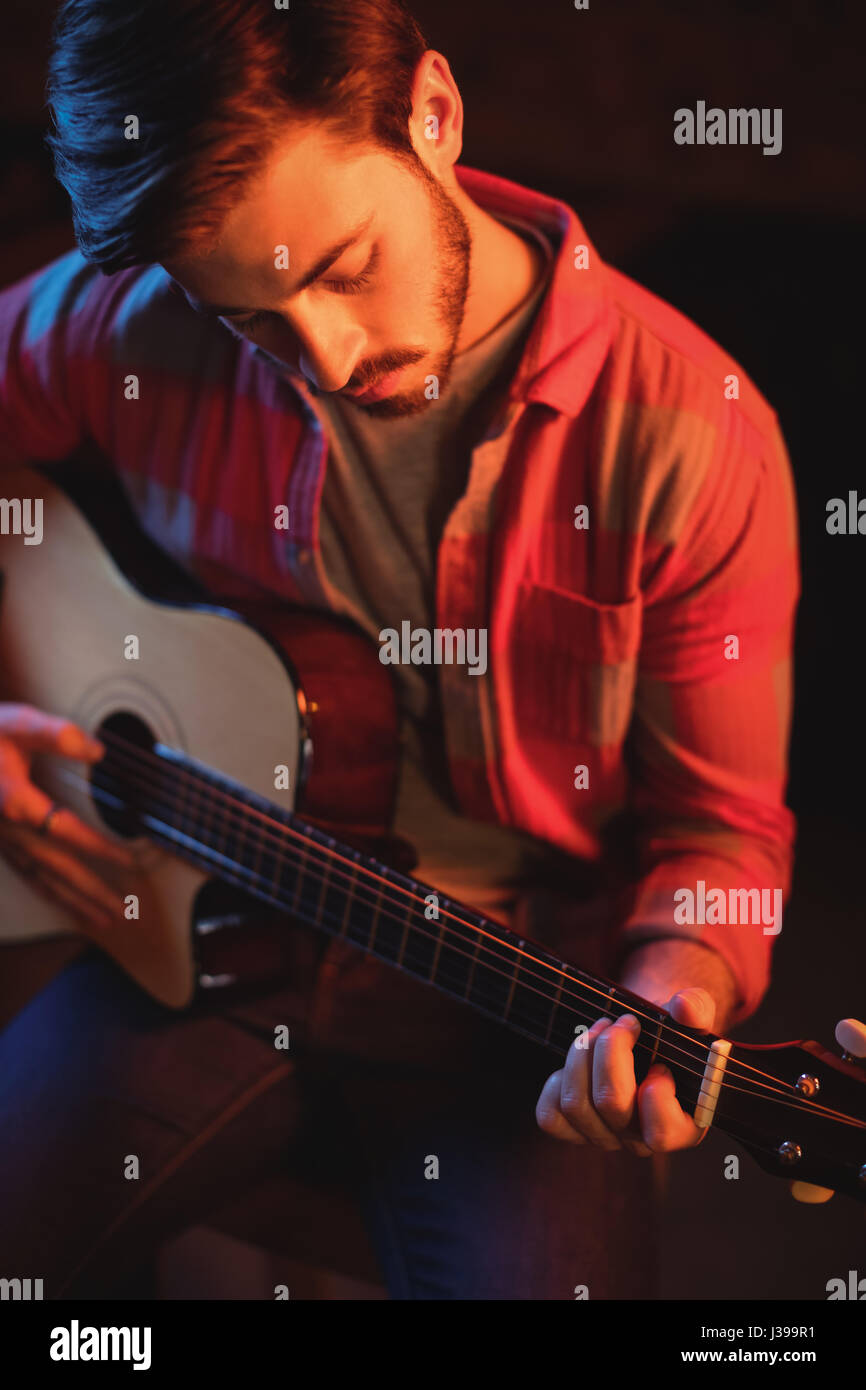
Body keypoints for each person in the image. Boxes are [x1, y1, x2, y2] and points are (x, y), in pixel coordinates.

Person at [0, 0, 799, 1299]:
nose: (324, 355)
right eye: (245, 317)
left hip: (510, 1001)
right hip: (205, 926)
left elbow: (718, 835)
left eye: (339, 265)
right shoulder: (129, 321)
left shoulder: (691, 434)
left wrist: (677, 992)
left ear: (431, 114)